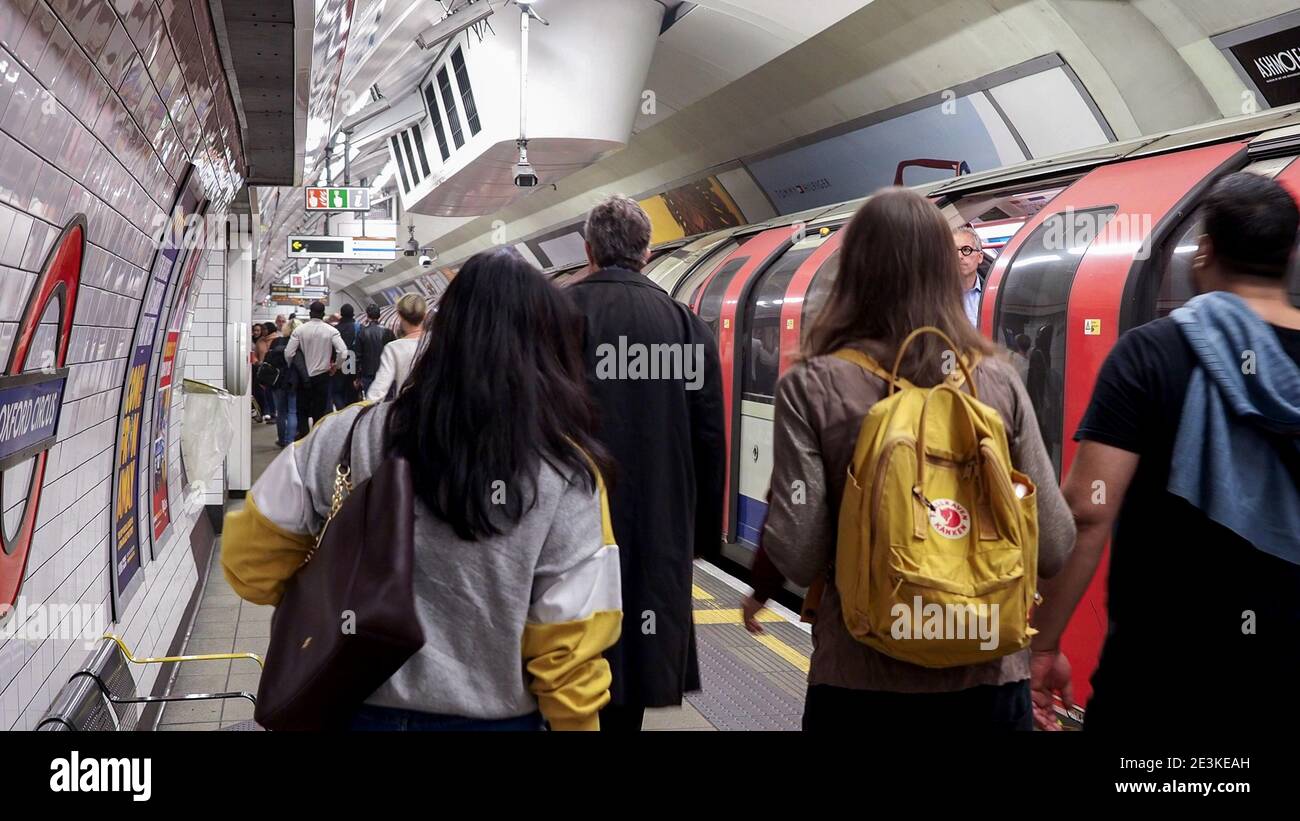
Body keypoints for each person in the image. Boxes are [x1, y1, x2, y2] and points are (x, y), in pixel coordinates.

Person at [221, 247, 622, 731]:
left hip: (346, 706)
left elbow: (248, 562)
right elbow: (568, 648)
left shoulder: (345, 435)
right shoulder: (567, 473)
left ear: (441, 337)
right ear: (550, 347)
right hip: (493, 720)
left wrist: (326, 599)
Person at [747, 187, 1074, 731]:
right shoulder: (996, 379)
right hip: (990, 681)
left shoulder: (814, 385)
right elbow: (1057, 542)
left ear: (852, 272)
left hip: (862, 681)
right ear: (945, 270)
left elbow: (799, 553)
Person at [1030, 171, 1300, 731]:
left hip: (1161, 679)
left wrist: (1041, 644)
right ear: (1288, 256)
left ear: (1203, 253)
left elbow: (1087, 512)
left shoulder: (1151, 353)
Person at [566, 194, 726, 731]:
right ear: (648, 251)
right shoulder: (684, 327)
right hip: (656, 523)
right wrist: (699, 535)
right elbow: (709, 438)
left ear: (588, 250)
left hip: (568, 523)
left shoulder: (556, 316)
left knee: (563, 653)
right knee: (633, 657)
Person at [285, 301, 347, 441]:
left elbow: (289, 353)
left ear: (310, 313)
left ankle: (303, 440)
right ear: (324, 314)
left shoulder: (299, 330)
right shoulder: (331, 331)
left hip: (303, 377)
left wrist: (292, 366)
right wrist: (336, 366)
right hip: (322, 377)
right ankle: (315, 441)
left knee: (302, 411)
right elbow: (343, 352)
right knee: (320, 412)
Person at [365, 294, 427, 402]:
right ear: (425, 315)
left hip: (407, 411)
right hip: (440, 412)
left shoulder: (393, 348)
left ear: (399, 315)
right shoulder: (441, 343)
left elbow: (377, 393)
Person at [259, 322, 296, 447]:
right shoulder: (297, 343)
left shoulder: (276, 342)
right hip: (292, 380)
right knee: (292, 411)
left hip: (277, 381)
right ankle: (290, 441)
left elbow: (267, 360)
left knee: (281, 412)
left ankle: (281, 440)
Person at [355, 303, 397, 398]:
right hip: (385, 372)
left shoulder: (362, 333)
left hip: (367, 374)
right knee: (387, 401)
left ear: (367, 315)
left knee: (370, 402)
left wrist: (357, 377)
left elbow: (357, 357)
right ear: (379, 315)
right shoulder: (388, 332)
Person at [331, 303, 360, 410]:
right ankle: (350, 415)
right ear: (353, 314)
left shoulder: (335, 329)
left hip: (339, 364)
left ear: (341, 314)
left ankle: (341, 411)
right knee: (352, 393)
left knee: (337, 392)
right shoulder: (358, 327)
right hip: (353, 364)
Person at [954, 226, 984, 327]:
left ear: (980, 257)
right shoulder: (935, 295)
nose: (959, 256)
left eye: (966, 250)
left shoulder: (994, 294)